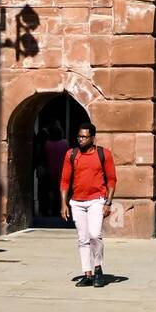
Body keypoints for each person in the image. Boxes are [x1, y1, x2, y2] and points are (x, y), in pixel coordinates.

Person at [59, 123, 117, 289]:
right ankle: (87, 274)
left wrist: (108, 203)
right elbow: (64, 181)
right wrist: (64, 203)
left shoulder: (103, 154)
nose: (80, 139)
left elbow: (112, 180)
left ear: (92, 138)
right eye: (79, 136)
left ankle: (98, 269)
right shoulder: (71, 154)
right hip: (76, 202)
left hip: (96, 200)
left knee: (95, 235)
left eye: (84, 137)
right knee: (83, 238)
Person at [44, 122, 69, 217]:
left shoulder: (47, 144)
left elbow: (45, 157)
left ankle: (51, 209)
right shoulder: (64, 143)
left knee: (51, 191)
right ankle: (62, 208)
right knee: (62, 190)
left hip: (50, 171)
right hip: (62, 171)